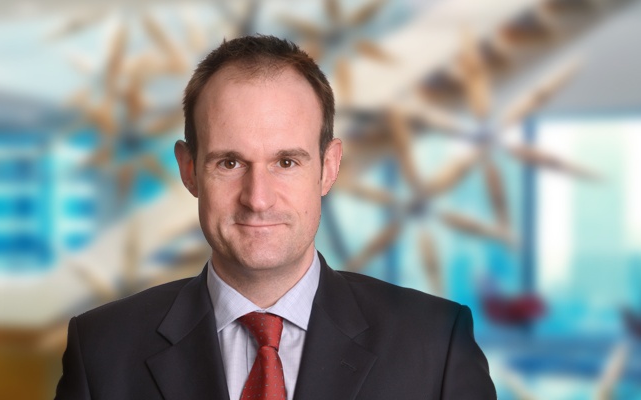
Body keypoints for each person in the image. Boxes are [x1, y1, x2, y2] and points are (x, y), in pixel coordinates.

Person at [54, 35, 496, 400]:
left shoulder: (435, 345)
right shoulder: (102, 351)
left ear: (329, 167)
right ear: (189, 170)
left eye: (286, 162)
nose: (258, 198)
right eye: (229, 163)